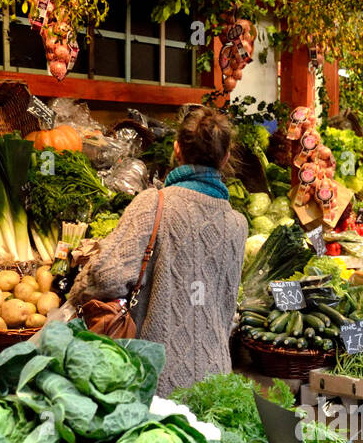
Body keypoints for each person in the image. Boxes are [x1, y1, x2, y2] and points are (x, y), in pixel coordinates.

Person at [70, 105, 247, 395]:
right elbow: (226, 309)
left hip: (157, 377)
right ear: (226, 157)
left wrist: (76, 287)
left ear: (177, 150)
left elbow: (106, 276)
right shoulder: (238, 224)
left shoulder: (153, 202)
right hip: (217, 382)